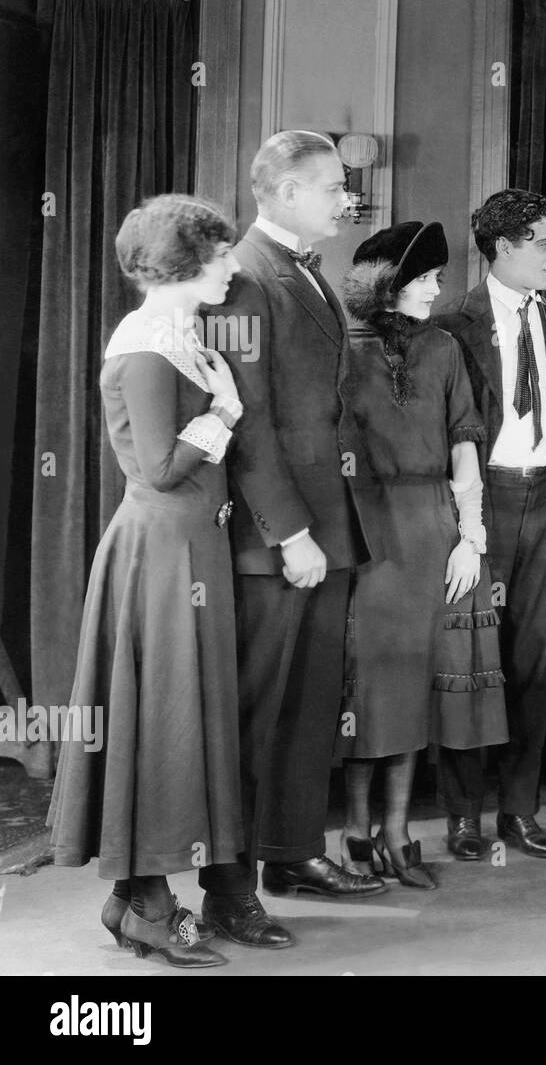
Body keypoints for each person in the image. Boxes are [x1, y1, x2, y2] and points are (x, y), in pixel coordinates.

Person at [199, 131, 389, 949]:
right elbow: (248, 426)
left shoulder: (304, 270)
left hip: (327, 526)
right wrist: (290, 533)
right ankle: (228, 891)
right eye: (328, 188)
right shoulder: (244, 278)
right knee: (257, 714)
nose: (344, 200)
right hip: (279, 541)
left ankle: (289, 854)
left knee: (311, 707)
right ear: (278, 193)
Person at [47, 194, 245, 968]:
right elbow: (159, 470)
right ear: (186, 262)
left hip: (187, 548)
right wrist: (224, 411)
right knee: (163, 719)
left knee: (175, 715)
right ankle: (151, 905)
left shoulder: (178, 337)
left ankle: (138, 900)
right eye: (222, 253)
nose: (231, 265)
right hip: (162, 554)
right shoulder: (147, 346)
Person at [337, 220, 508, 889]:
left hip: (435, 528)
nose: (438, 290)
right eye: (426, 279)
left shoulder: (443, 348)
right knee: (370, 690)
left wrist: (472, 535)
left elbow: (466, 444)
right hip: (367, 534)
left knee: (416, 687)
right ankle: (354, 830)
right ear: (388, 286)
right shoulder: (341, 350)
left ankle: (398, 831)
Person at [432, 189, 546, 861]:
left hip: (544, 502)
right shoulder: (454, 322)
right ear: (504, 247)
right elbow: (443, 433)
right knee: (472, 661)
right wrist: (463, 525)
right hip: (480, 512)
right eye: (544, 243)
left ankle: (519, 810)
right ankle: (463, 816)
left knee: (533, 661)